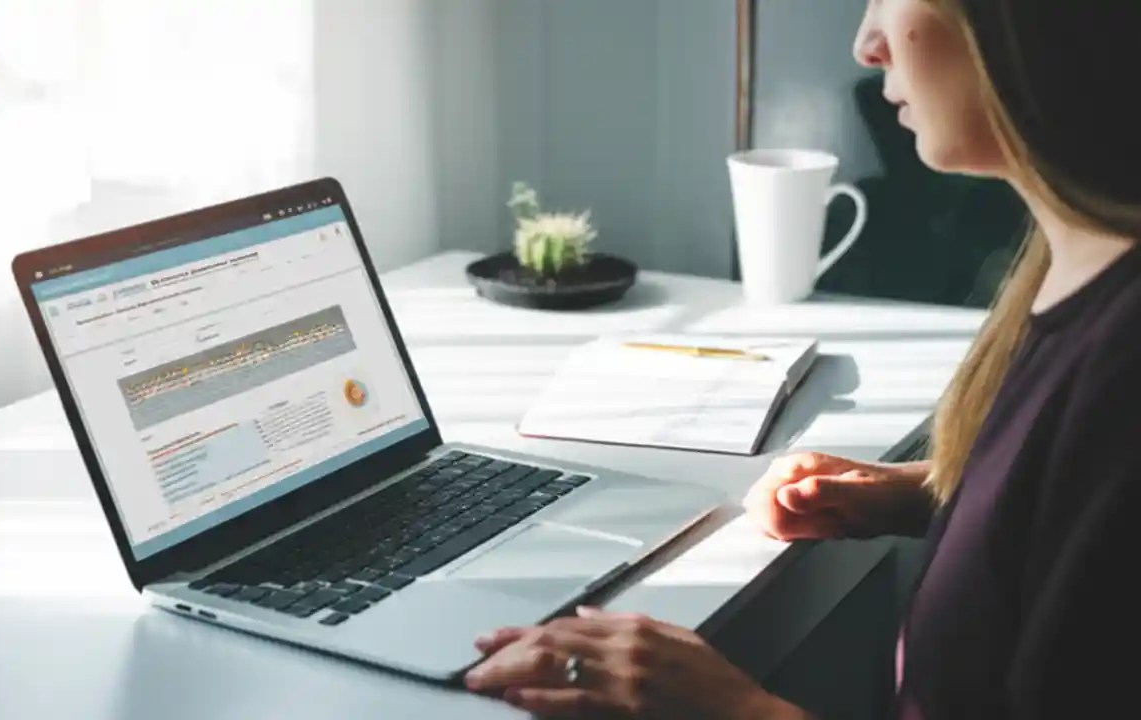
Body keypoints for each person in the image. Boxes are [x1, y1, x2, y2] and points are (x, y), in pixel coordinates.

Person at [464, 1, 1141, 717]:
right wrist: (929, 492)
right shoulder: (1070, 281)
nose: (867, 44)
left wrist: (733, 707)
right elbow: (1068, 525)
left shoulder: (1122, 372)